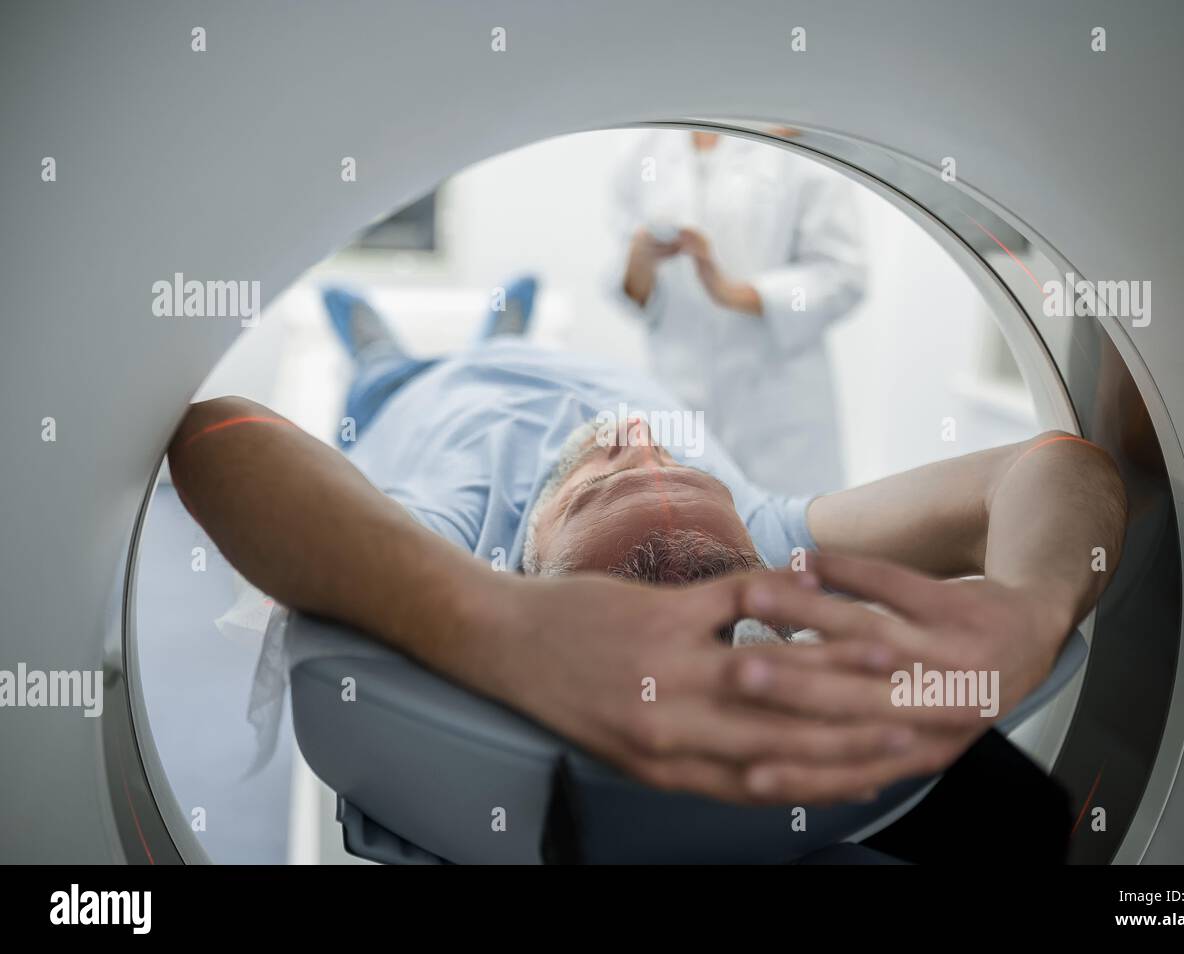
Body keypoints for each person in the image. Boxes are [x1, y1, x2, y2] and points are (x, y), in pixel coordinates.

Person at [167, 288, 1127, 806]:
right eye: (677, 469)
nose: (638, 436)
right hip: (572, 363)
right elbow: (1048, 466)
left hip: (425, 396)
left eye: (600, 483)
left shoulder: (465, 531)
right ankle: (505, 321)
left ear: (526, 570)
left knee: (380, 362)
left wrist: (485, 619)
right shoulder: (774, 538)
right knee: (510, 324)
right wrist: (1033, 606)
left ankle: (397, 340)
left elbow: (221, 433)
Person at [611, 130, 865, 495]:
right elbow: (625, 282)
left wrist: (733, 293)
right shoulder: (641, 147)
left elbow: (843, 275)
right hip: (678, 395)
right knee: (687, 520)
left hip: (777, 408)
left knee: (786, 526)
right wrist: (639, 262)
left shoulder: (797, 142)